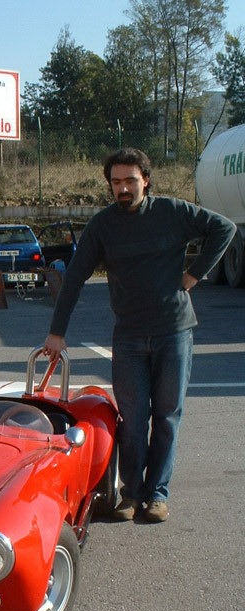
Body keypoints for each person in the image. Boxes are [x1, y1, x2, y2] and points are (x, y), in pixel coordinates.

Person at [43, 148, 236, 523]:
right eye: (116, 182)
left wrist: (195, 273)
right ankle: (131, 494)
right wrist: (57, 333)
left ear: (145, 179)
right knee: (132, 420)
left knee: (167, 417)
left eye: (130, 180)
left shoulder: (173, 212)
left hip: (174, 332)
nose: (123, 189)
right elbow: (75, 278)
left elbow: (224, 229)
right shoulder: (102, 226)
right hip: (129, 337)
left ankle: (157, 495)